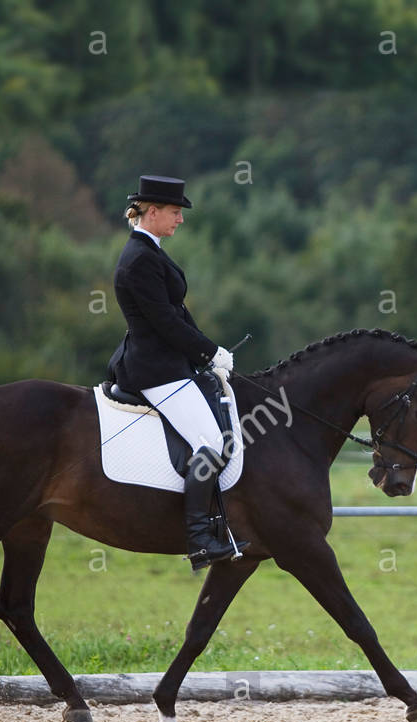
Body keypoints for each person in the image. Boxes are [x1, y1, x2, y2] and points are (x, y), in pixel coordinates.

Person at [108, 174, 247, 570]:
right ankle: (200, 538)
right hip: (156, 370)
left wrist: (208, 350)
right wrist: (209, 351)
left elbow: (177, 315)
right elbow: (165, 323)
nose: (179, 220)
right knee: (211, 444)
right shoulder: (138, 260)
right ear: (151, 212)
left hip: (170, 363)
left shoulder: (149, 252)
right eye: (174, 212)